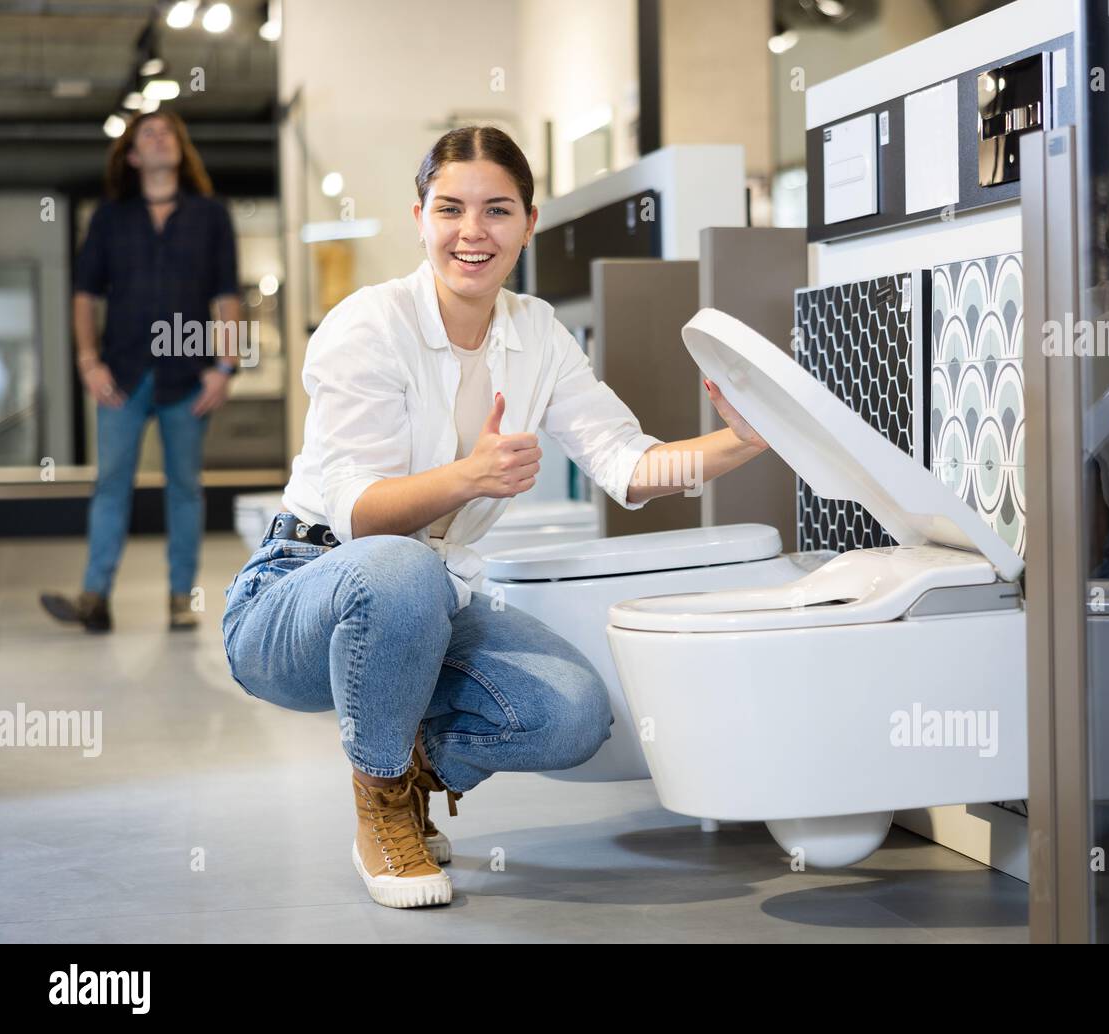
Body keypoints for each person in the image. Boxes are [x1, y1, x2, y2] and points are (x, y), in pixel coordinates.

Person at [221, 125, 769, 908]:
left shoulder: (537, 334)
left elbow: (627, 465)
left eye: (497, 211)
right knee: (400, 566)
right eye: (451, 209)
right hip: (297, 594)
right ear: (419, 218)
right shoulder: (367, 326)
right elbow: (360, 517)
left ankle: (410, 762)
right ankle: (380, 802)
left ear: (528, 223)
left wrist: (738, 441)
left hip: (428, 597)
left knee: (571, 715)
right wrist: (468, 477)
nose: (472, 232)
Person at [40, 110, 241, 633]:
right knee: (111, 485)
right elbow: (85, 294)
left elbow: (227, 297)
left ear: (180, 148)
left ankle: (180, 599)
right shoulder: (111, 218)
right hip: (122, 377)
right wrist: (87, 360)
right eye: (147, 134)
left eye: (167, 131)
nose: (160, 138)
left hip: (189, 378)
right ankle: (95, 598)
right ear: (131, 155)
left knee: (184, 488)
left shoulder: (210, 216)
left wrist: (226, 365)